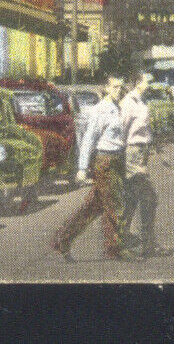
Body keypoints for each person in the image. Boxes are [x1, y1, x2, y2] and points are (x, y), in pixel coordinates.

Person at [52, 74, 136, 261]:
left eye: (121, 87)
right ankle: (116, 248)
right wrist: (82, 168)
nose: (119, 91)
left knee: (94, 206)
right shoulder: (100, 110)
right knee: (117, 204)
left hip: (118, 160)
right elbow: (89, 139)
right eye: (115, 87)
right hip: (105, 161)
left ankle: (63, 239)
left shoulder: (119, 108)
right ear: (106, 88)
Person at [117, 68, 162, 257]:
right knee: (149, 197)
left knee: (133, 199)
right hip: (132, 153)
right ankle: (146, 244)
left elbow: (145, 129)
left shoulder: (141, 102)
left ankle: (123, 240)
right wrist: (121, 155)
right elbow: (121, 129)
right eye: (146, 81)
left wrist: (156, 150)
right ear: (137, 83)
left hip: (141, 153)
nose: (149, 84)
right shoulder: (128, 102)